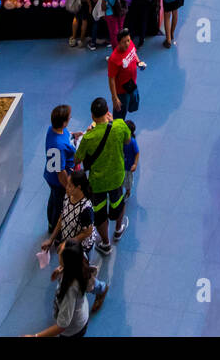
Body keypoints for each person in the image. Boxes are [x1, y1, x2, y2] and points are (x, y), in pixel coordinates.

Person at [76, 97, 129, 254]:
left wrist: (87, 133)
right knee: (119, 204)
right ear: (108, 112)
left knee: (99, 215)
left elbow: (77, 158)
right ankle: (118, 229)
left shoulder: (89, 137)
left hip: (97, 183)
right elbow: (127, 141)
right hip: (116, 177)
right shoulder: (120, 126)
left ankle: (106, 244)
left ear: (92, 116)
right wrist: (113, 122)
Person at [28, 241, 93, 337]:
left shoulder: (69, 290)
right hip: (81, 314)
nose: (58, 251)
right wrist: (60, 270)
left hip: (73, 331)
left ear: (66, 262)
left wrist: (35, 336)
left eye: (60, 253)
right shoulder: (79, 264)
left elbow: (62, 325)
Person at [43, 104, 76, 230]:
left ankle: (52, 223)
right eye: (69, 118)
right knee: (59, 204)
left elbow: (66, 135)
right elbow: (60, 171)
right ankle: (55, 228)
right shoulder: (58, 146)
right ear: (63, 123)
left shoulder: (53, 129)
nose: (70, 118)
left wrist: (74, 135)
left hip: (50, 176)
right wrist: (68, 186)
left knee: (53, 198)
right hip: (57, 181)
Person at [107, 29, 145, 120]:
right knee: (119, 116)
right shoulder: (114, 59)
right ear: (119, 42)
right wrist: (115, 97)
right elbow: (111, 79)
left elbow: (133, 53)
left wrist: (138, 62)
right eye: (124, 42)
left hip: (132, 84)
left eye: (128, 40)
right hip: (122, 91)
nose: (127, 43)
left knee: (133, 105)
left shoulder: (130, 44)